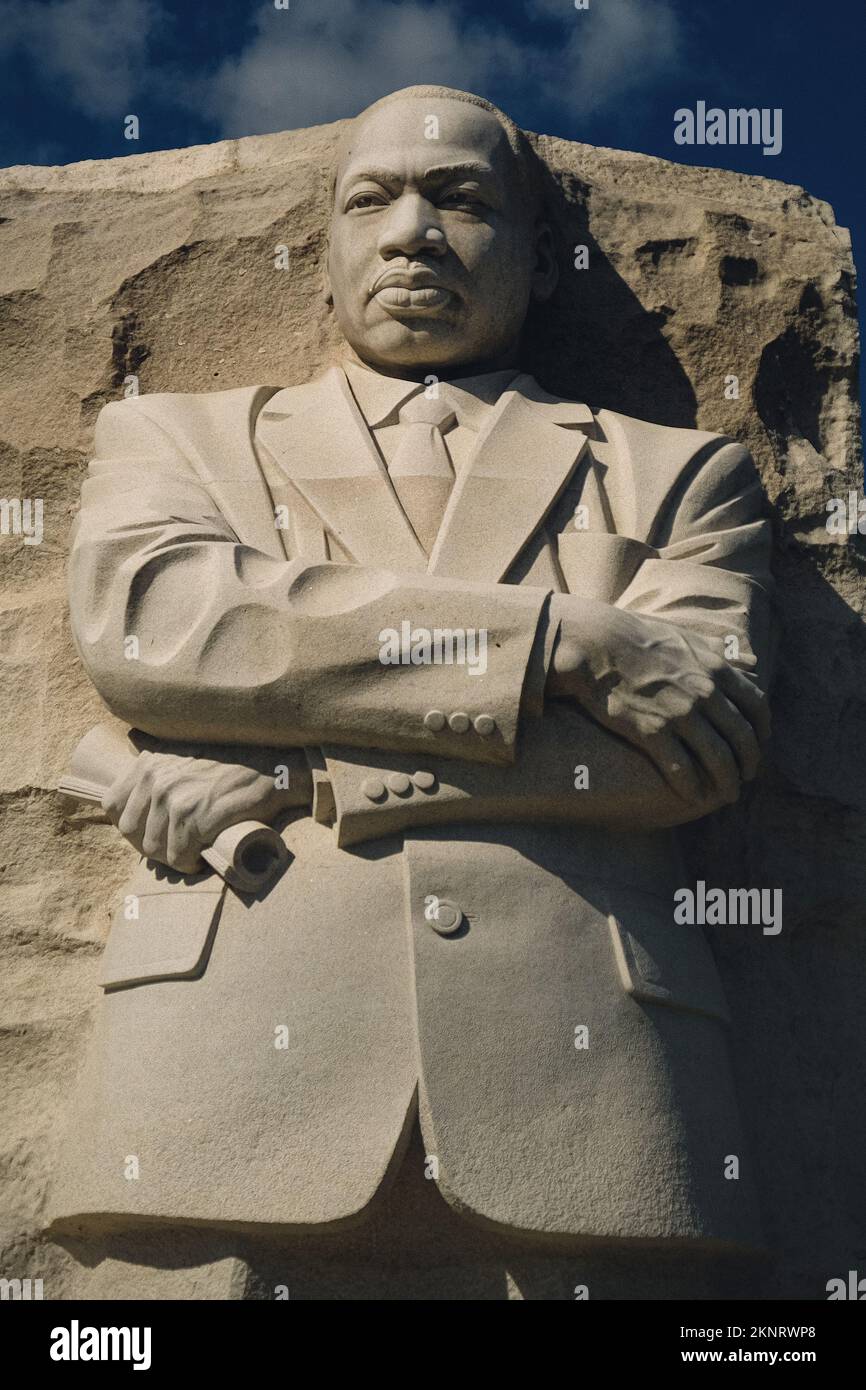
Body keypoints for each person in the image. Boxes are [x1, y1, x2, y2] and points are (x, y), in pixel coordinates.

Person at [52, 86, 774, 1299]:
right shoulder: (176, 441)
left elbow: (687, 750)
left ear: (543, 262)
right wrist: (561, 641)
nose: (410, 233)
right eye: (369, 200)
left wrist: (300, 771)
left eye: (461, 199)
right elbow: (164, 627)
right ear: (323, 255)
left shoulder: (682, 475)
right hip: (216, 1069)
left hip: (589, 1089)